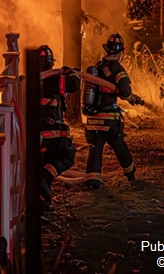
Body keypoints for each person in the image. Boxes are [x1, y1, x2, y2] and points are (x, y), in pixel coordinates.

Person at [83, 33, 143, 190]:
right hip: (108, 120)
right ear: (119, 52)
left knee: (95, 150)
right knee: (119, 145)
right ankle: (131, 175)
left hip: (92, 120)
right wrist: (132, 98)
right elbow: (124, 91)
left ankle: (92, 182)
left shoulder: (96, 68)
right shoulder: (116, 68)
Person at [37, 45, 81, 215]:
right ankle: (43, 183)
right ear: (50, 63)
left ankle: (42, 194)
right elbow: (74, 84)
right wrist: (70, 72)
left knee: (43, 162)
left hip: (32, 133)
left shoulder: (26, 81)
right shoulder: (57, 79)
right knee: (66, 156)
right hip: (52, 133)